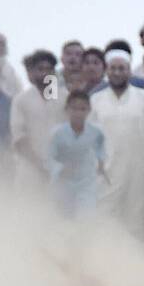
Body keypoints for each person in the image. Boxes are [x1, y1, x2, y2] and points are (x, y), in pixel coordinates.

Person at [91, 49, 144, 232]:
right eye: (113, 68)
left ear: (129, 71)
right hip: (106, 174)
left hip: (139, 173)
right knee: (105, 222)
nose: (117, 72)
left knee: (138, 223)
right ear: (106, 71)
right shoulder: (96, 100)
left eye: (122, 68)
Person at [10, 50, 67, 186]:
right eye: (40, 69)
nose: (45, 73)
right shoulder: (21, 99)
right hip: (29, 169)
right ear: (32, 72)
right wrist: (41, 166)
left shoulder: (66, 98)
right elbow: (19, 138)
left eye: (49, 69)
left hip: (62, 170)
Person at [48, 90, 107, 220]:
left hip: (86, 182)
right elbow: (49, 157)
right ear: (67, 110)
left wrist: (101, 164)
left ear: (88, 110)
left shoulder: (96, 132)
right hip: (63, 182)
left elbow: (101, 149)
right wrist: (60, 169)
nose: (78, 113)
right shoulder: (57, 133)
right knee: (63, 219)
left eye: (82, 109)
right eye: (74, 109)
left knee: (86, 219)